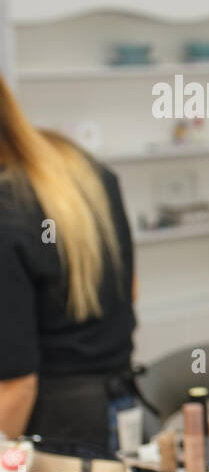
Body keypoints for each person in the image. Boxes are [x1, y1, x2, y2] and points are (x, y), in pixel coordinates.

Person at [0, 72, 137, 449]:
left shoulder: (6, 209)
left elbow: (16, 384)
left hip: (56, 431)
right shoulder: (68, 162)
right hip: (118, 400)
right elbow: (130, 287)